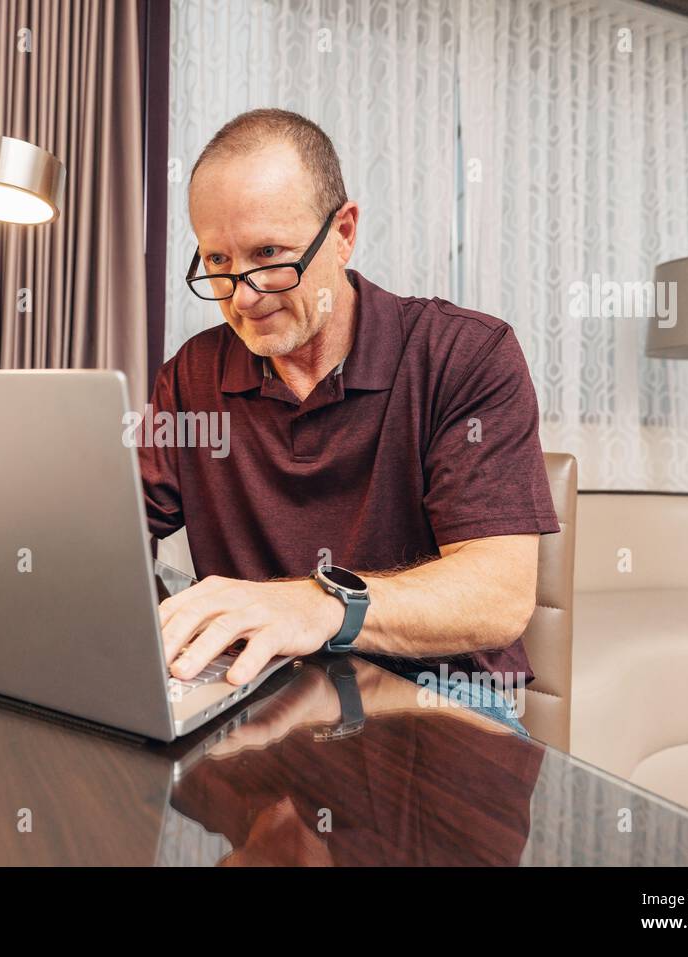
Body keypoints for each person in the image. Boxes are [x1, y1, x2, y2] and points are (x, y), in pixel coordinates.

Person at [141, 109, 559, 729]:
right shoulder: (192, 375)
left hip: (437, 695)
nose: (245, 296)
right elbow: (109, 532)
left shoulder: (466, 354)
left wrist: (318, 605)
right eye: (219, 263)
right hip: (259, 688)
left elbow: (498, 597)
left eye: (269, 254)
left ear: (343, 231)